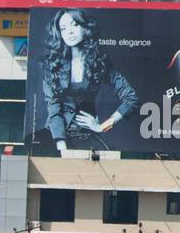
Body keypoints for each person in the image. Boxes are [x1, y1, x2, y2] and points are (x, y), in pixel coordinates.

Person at [36, 9, 138, 157]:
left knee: (107, 166)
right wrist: (62, 145)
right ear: (60, 34)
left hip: (85, 134)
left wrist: (102, 126)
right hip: (56, 134)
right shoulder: (52, 65)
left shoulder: (99, 62)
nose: (69, 32)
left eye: (74, 25)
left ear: (85, 28)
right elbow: (54, 109)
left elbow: (132, 98)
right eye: (63, 29)